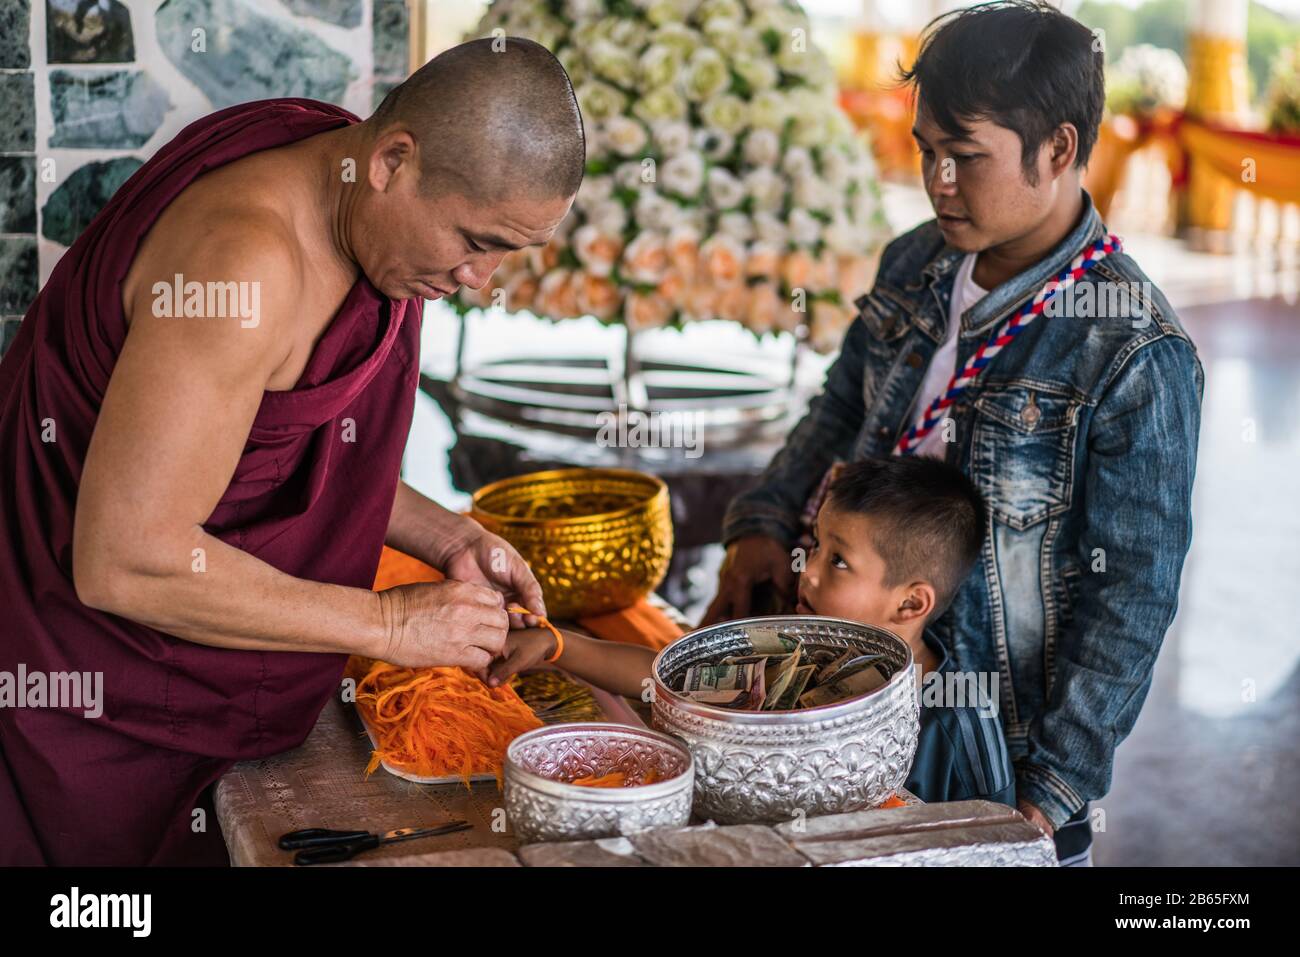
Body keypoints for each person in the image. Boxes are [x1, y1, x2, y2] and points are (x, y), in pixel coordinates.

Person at [0, 37, 584, 865]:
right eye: (474, 239)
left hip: (204, 677)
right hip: (90, 695)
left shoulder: (353, 200)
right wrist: (388, 622)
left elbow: (289, 453)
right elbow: (124, 559)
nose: (477, 279)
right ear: (393, 160)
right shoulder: (242, 266)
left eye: (507, 254)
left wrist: (453, 538)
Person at [703, 1, 1203, 865]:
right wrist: (764, 520)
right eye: (927, 150)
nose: (937, 180)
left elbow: (1131, 598)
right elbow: (838, 411)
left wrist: (1046, 796)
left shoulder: (1131, 350)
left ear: (1059, 147)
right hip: (846, 702)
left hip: (989, 760)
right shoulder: (917, 263)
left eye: (964, 157)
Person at [491, 457, 1015, 810]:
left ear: (911, 602)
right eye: (814, 546)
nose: (806, 571)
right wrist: (556, 646)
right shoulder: (795, 655)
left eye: (838, 561)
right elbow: (666, 678)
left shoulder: (957, 718)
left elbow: (996, 842)